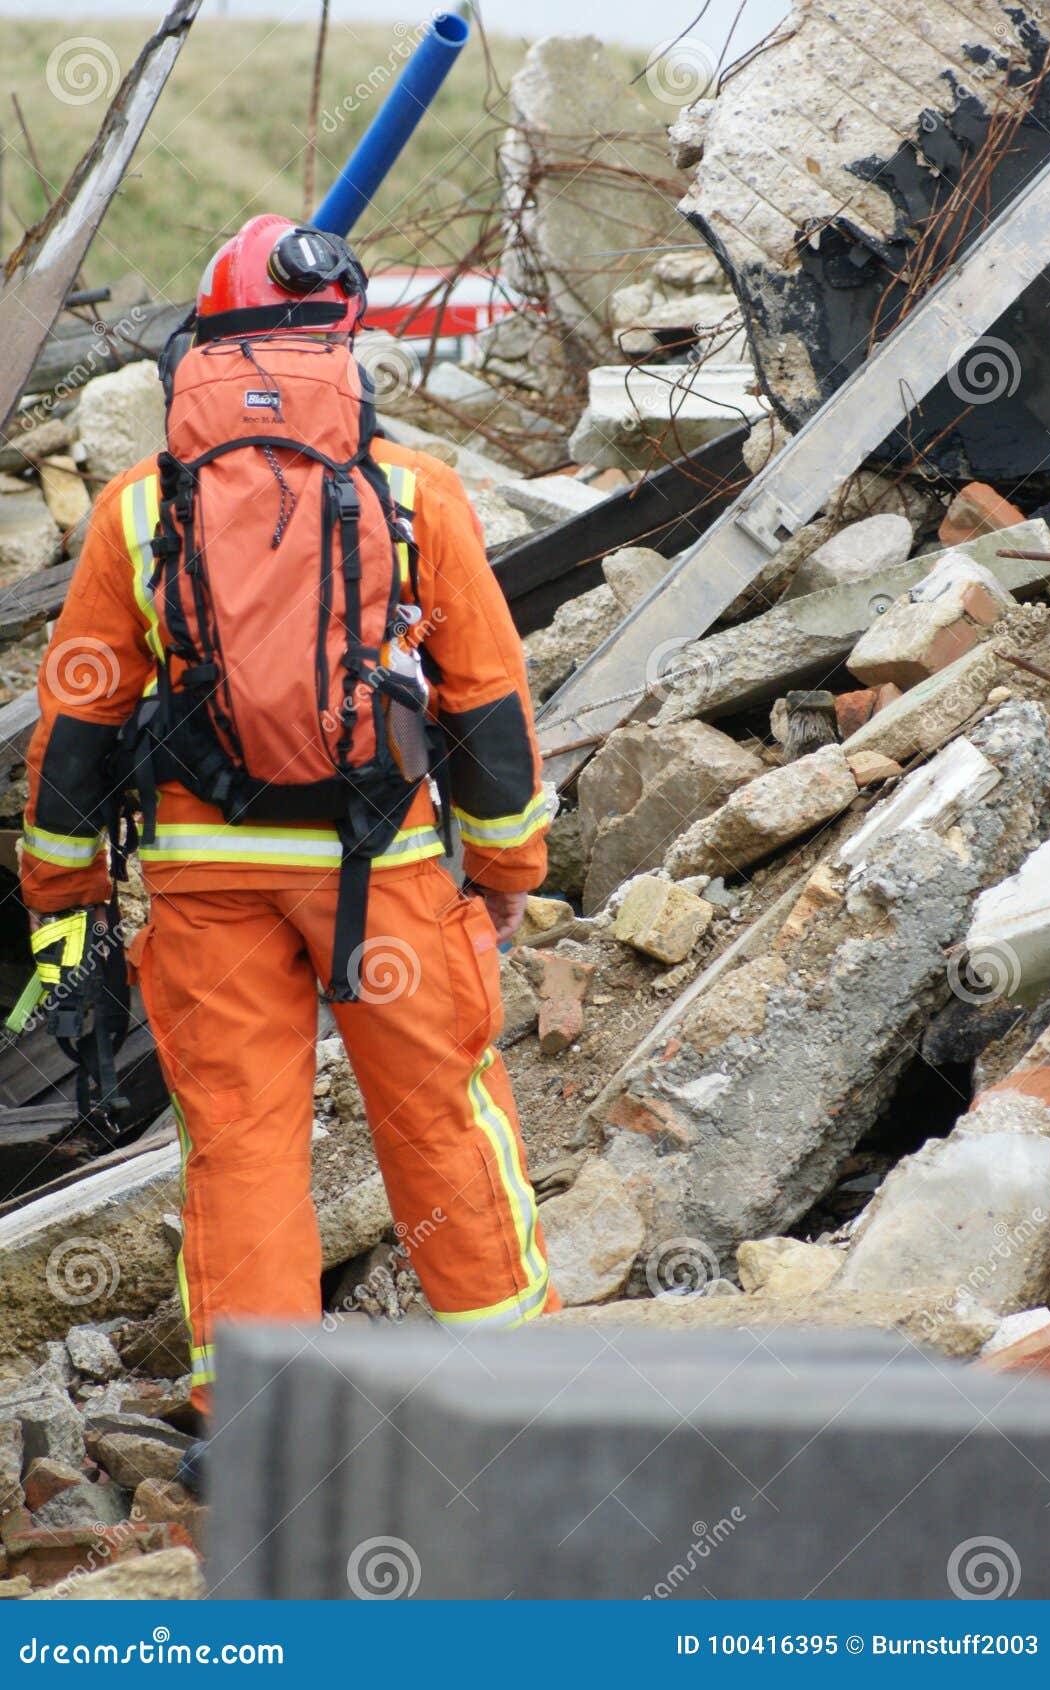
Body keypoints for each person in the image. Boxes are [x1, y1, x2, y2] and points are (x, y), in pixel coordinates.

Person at [22, 215, 559, 1463]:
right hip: (385, 868)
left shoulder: (139, 507)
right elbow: (486, 696)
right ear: (343, 344)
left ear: (198, 347)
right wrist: (508, 867)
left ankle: (256, 1426)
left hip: (207, 881)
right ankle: (517, 1379)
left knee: (243, 1136)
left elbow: (81, 712)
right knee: (435, 1108)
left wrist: (58, 886)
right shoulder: (414, 492)